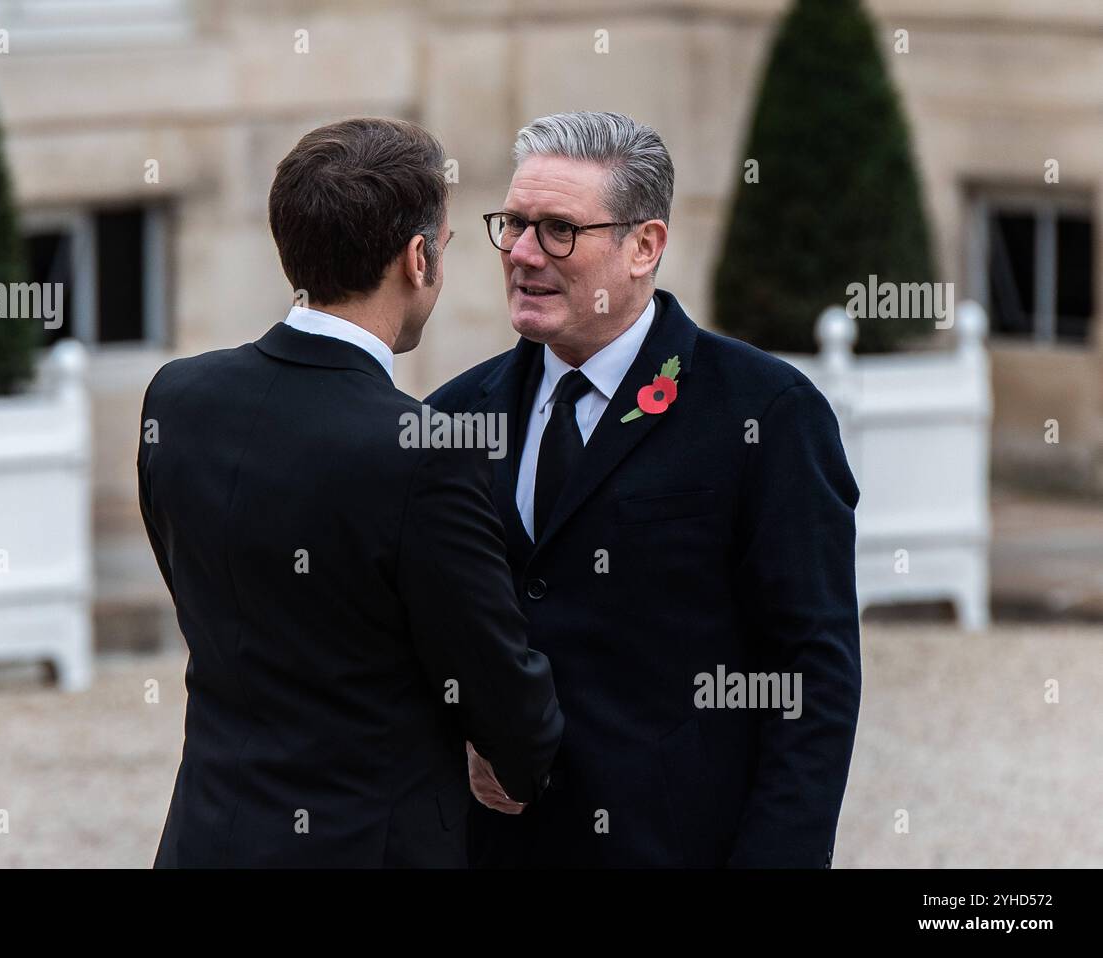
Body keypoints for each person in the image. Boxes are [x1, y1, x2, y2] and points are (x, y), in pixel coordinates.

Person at [427, 111, 861, 867]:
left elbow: (812, 675)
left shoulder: (764, 414)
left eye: (559, 229)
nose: (524, 254)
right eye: (514, 225)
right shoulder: (456, 416)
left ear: (645, 246)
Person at [139, 117, 563, 867]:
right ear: (417, 258)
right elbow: (490, 676)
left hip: (207, 836)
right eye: (449, 244)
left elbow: (200, 585)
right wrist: (525, 761)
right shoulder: (424, 451)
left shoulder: (178, 399)